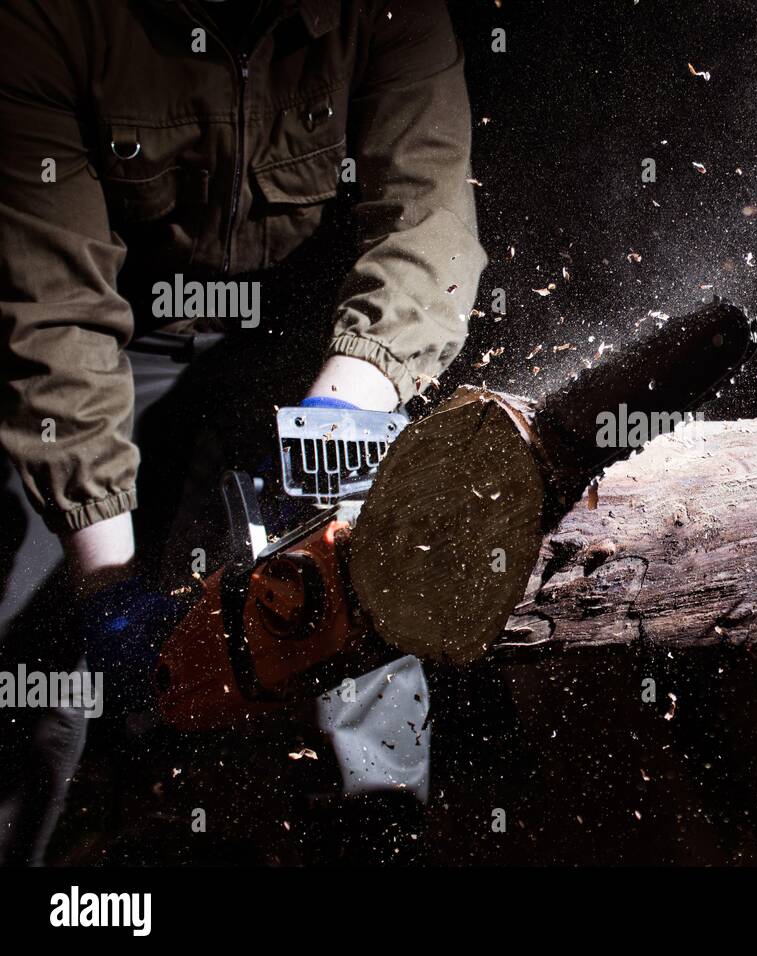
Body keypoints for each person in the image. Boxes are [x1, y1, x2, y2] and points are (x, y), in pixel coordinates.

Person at [0, 0, 486, 864]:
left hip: (314, 335)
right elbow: (57, 314)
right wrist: (106, 582)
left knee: (350, 552)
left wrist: (340, 415)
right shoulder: (48, 20)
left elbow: (430, 227)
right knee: (29, 638)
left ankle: (376, 821)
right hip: (126, 327)